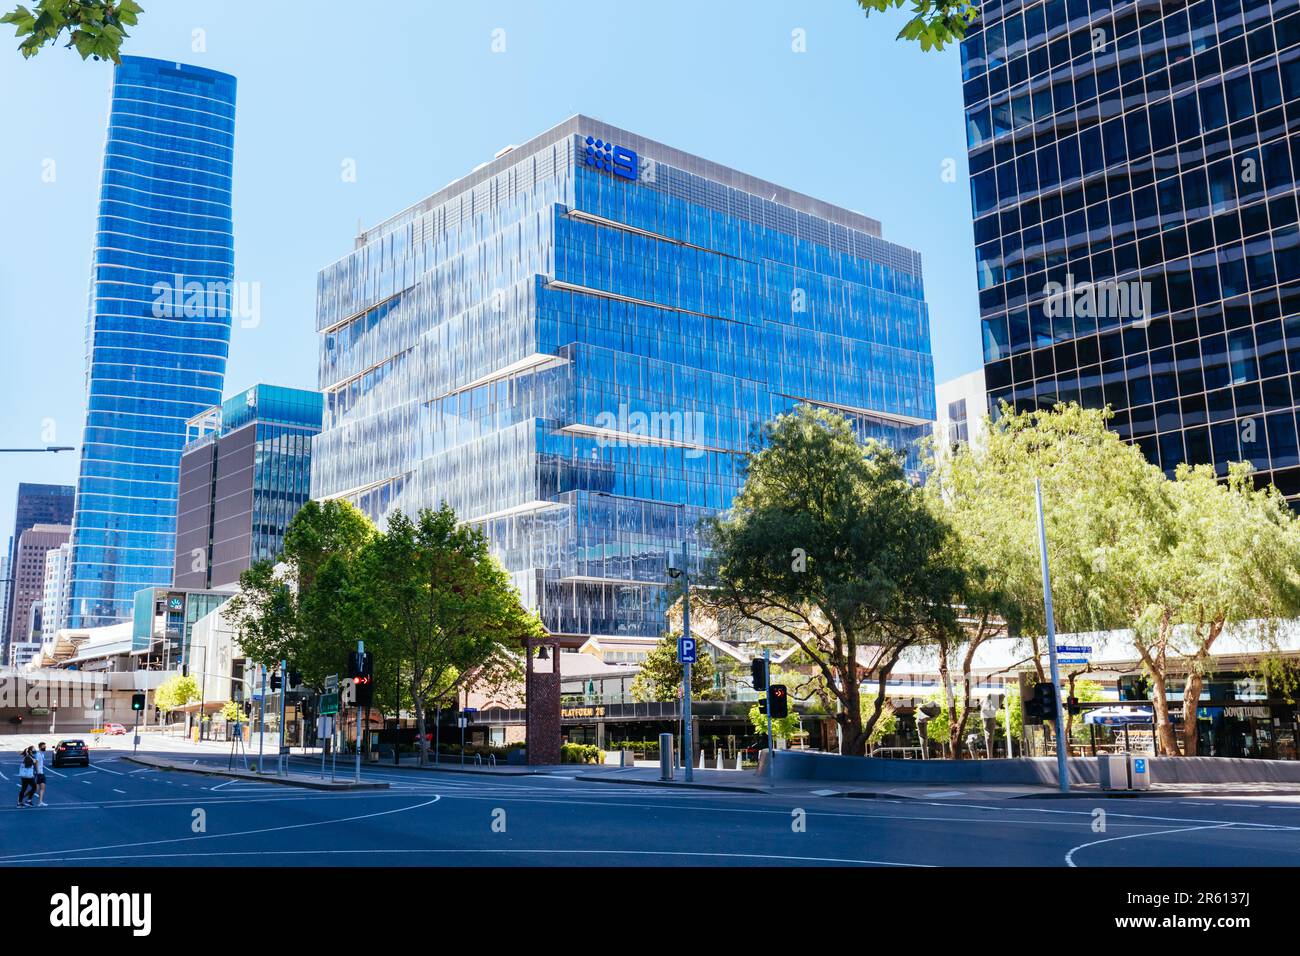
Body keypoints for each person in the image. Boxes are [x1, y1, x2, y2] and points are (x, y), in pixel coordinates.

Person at [34, 741, 48, 807]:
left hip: (42, 773)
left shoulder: (42, 754)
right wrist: (37, 772)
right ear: (40, 747)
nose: (45, 748)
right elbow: (36, 763)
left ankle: (40, 802)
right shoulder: (38, 754)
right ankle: (22, 799)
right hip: (38, 773)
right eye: (43, 747)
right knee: (34, 789)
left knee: (42, 788)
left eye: (45, 746)